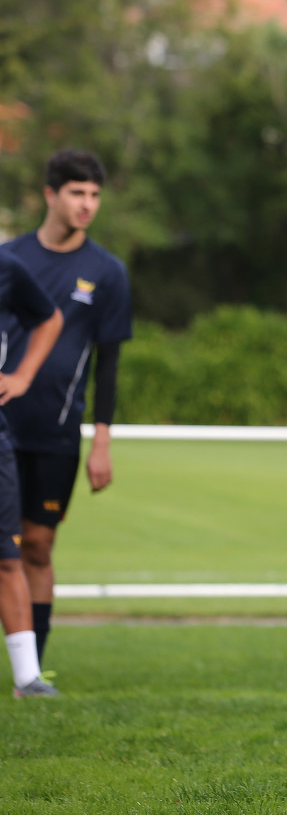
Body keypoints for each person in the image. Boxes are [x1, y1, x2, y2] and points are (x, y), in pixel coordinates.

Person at [0, 150, 133, 672]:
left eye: (95, 195)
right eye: (77, 193)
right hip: (3, 423)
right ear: (50, 194)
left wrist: (102, 441)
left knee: (36, 545)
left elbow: (110, 364)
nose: (87, 204)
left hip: (56, 432)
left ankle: (34, 667)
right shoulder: (11, 260)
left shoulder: (107, 272)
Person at [0, 251, 64, 697]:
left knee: (8, 554)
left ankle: (28, 678)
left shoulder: (7, 268)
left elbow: (50, 318)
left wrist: (21, 376)